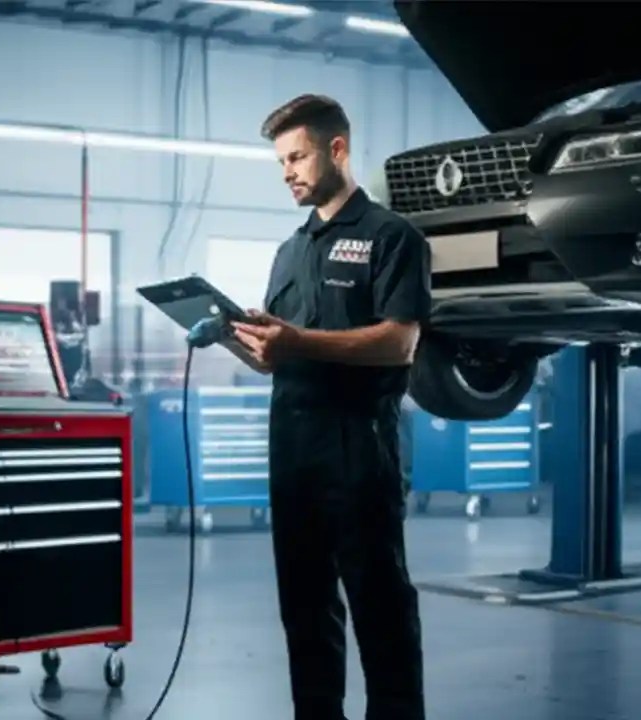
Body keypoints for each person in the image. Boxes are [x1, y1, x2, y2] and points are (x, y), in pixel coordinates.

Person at [231, 94, 430, 720]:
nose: (287, 171)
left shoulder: (392, 238)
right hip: (292, 451)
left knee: (380, 607)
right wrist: (250, 344)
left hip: (359, 450)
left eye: (296, 156)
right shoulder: (289, 251)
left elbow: (400, 340)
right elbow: (280, 354)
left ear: (336, 149)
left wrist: (298, 341)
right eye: (280, 162)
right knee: (304, 607)